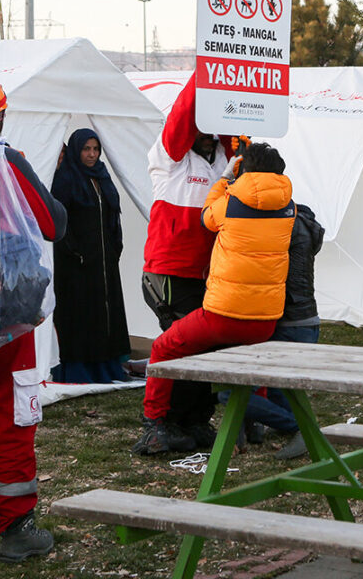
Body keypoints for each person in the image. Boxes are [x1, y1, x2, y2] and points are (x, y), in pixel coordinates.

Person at [133, 142, 295, 455]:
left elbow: (207, 217)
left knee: (163, 347)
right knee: (247, 358)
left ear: (243, 169)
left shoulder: (231, 202)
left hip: (224, 314)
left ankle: (154, 425)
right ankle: (252, 425)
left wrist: (222, 180)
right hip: (266, 319)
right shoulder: (289, 206)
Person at [0, 77, 67, 561]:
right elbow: (53, 223)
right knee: (9, 414)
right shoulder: (4, 159)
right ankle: (17, 527)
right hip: (3, 313)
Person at [141, 75, 245, 450]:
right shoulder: (169, 155)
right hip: (169, 270)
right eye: (200, 123)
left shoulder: (223, 159)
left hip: (210, 272)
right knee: (179, 345)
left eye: (212, 124)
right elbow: (183, 114)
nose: (205, 129)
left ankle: (196, 420)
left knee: (204, 348)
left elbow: (243, 131)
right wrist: (210, 69)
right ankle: (162, 421)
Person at [232, 203, 324, 460]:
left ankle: (303, 429)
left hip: (288, 321)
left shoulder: (282, 226)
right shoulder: (303, 219)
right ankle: (296, 427)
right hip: (305, 319)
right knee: (278, 388)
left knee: (232, 391)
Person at [50, 129, 130, 383]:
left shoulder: (102, 175)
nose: (92, 154)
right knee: (81, 314)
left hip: (103, 260)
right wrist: (75, 252)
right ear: (76, 150)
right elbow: (59, 222)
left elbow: (112, 214)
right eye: (86, 149)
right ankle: (80, 369)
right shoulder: (66, 179)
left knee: (105, 312)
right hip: (77, 263)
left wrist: (115, 246)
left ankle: (108, 366)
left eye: (95, 149)